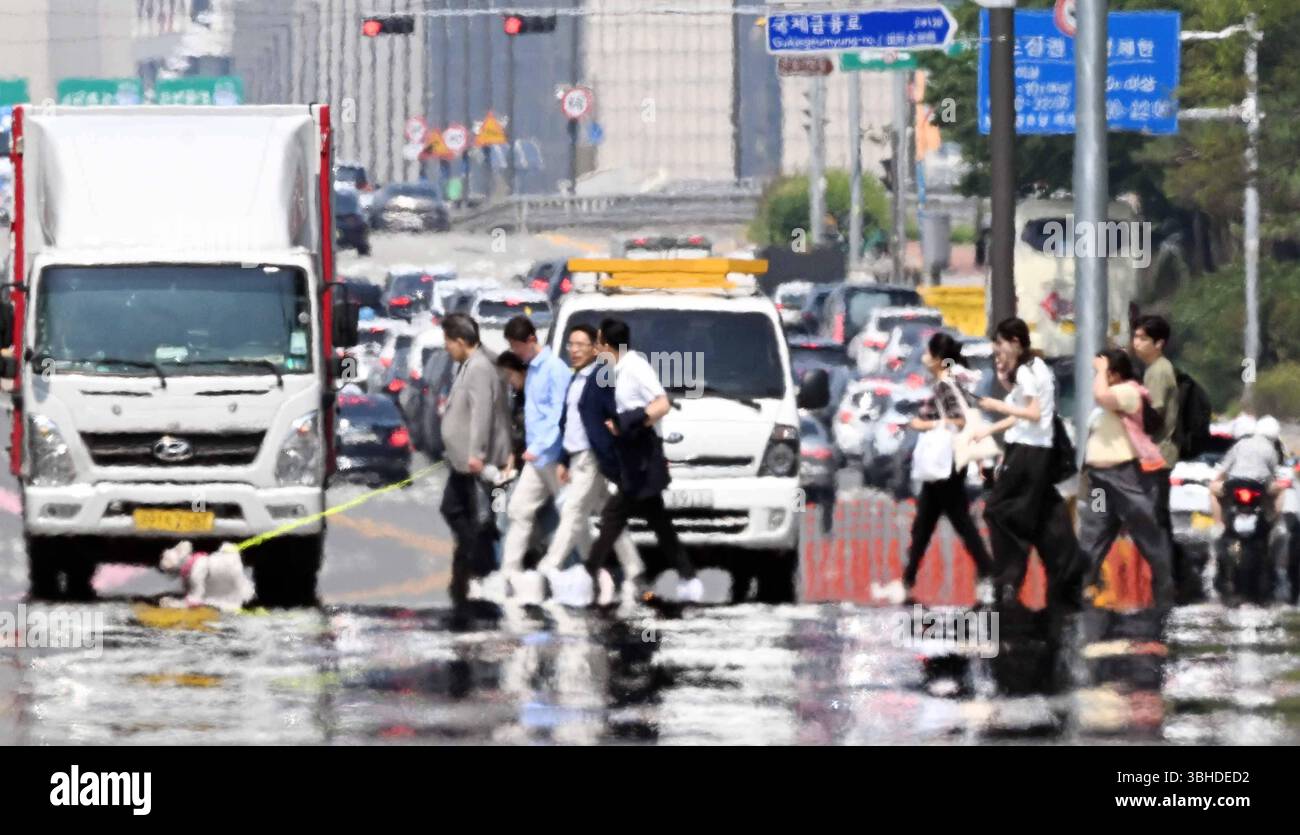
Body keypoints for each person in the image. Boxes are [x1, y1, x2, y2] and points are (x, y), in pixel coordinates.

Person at [585, 318, 702, 603]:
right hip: (631, 454)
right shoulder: (616, 369)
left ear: (608, 345)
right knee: (657, 521)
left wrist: (628, 423)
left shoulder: (636, 367)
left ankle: (586, 577)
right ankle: (689, 579)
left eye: (598, 342)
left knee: (613, 518)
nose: (596, 348)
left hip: (642, 456)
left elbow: (662, 403)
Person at [878, 332, 996, 606]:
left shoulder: (946, 386)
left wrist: (926, 425)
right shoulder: (948, 383)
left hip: (945, 465)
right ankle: (908, 580)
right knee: (929, 523)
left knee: (953, 522)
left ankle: (988, 572)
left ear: (940, 360)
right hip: (946, 466)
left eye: (930, 354)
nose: (924, 358)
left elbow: (959, 419)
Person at [974, 317, 1081, 609]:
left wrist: (995, 405)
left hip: (1027, 452)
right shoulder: (1038, 369)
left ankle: (1008, 583)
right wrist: (989, 429)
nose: (998, 350)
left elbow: (1032, 413)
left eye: (1001, 344)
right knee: (1045, 514)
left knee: (1000, 512)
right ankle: (1068, 578)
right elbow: (1025, 413)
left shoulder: (1026, 371)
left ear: (1016, 342)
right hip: (1037, 451)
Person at [538, 324, 646, 605]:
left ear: (594, 348)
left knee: (573, 511)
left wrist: (612, 450)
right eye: (570, 345)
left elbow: (612, 414)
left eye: (580, 345)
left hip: (592, 455)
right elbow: (568, 422)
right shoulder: (577, 379)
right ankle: (634, 568)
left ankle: (549, 567)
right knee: (609, 515)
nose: (573, 350)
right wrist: (563, 459)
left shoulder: (601, 377)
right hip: (577, 455)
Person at [1075, 348, 1174, 611]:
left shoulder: (1129, 392)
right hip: (1100, 481)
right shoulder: (1107, 405)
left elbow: (1101, 396)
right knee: (1093, 531)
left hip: (1124, 477)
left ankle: (1166, 593)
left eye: (1104, 371)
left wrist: (1100, 369)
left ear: (1115, 374)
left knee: (1146, 531)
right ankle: (1082, 587)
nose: (1097, 376)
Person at [439, 313, 512, 608]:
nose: (446, 349)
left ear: (459, 341)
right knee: (460, 511)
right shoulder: (470, 365)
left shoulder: (480, 367)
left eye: (447, 342)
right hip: (461, 460)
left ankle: (480, 569)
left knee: (473, 516)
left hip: (472, 461)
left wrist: (477, 454)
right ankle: (467, 569)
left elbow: (482, 413)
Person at [497, 315, 571, 598]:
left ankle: (573, 571)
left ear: (531, 340)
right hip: (535, 459)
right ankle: (509, 572)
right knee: (518, 510)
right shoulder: (532, 370)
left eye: (517, 346)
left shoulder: (555, 369)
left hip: (552, 456)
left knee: (571, 516)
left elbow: (558, 415)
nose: (515, 353)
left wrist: (538, 447)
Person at [1132, 315, 1186, 592]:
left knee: (1156, 518)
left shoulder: (1158, 370)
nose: (1136, 343)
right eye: (1136, 337)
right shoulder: (1155, 368)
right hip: (1158, 454)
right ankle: (1165, 577)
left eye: (1142, 338)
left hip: (1157, 454)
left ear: (1159, 343)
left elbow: (1153, 414)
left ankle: (1165, 579)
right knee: (1157, 516)